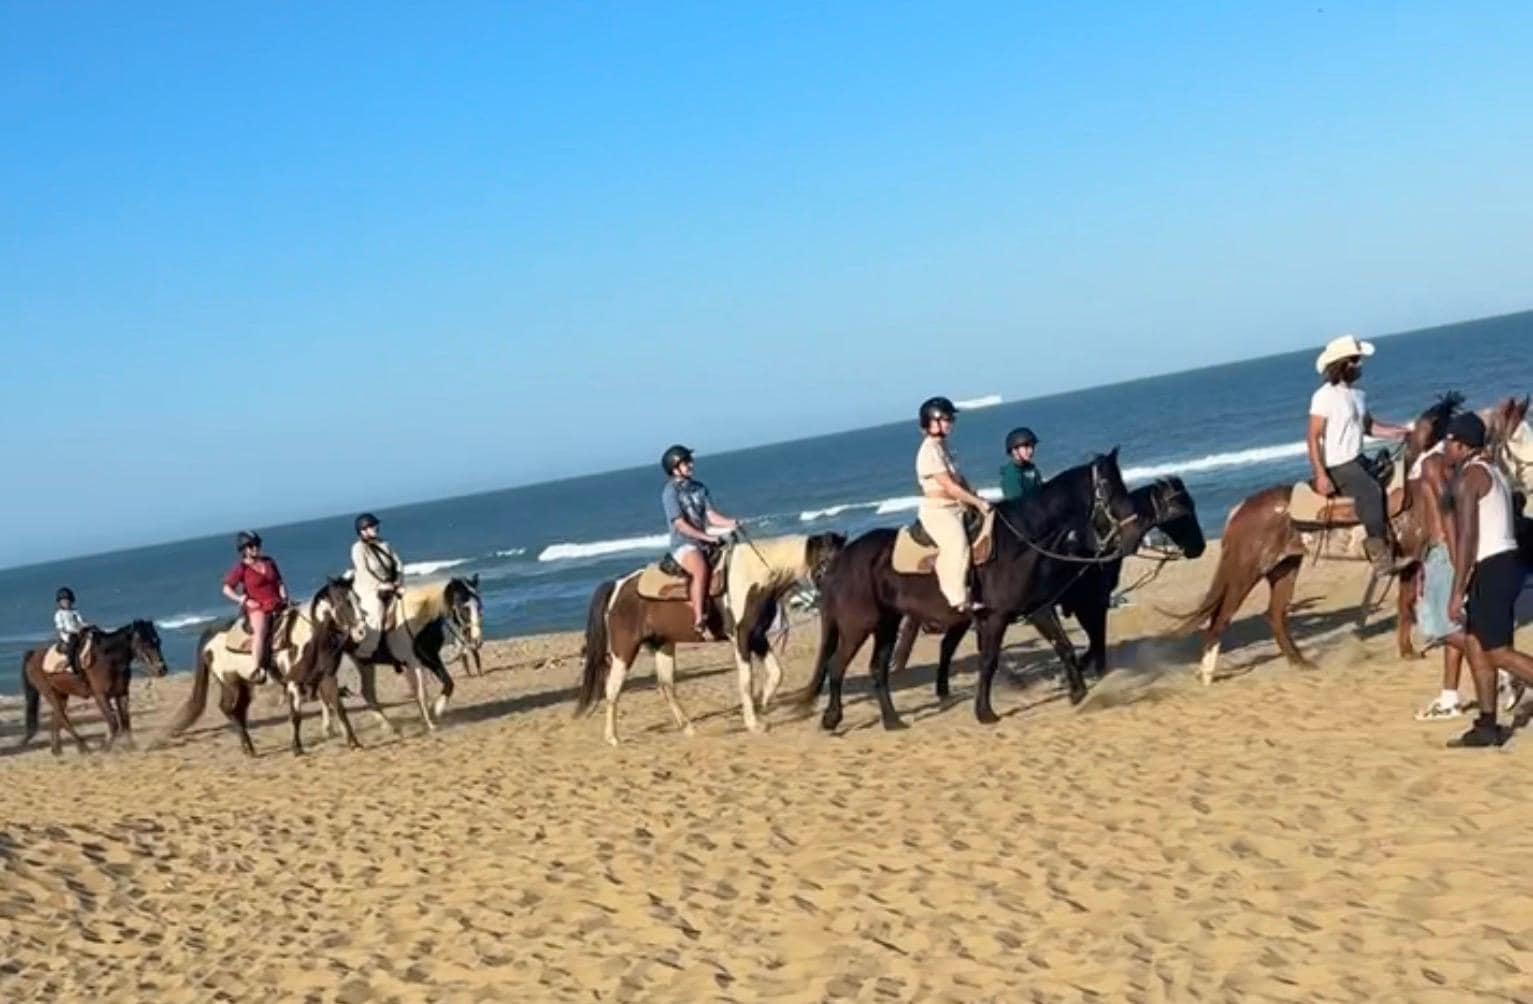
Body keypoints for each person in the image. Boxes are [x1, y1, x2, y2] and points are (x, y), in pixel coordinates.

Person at [1441, 413, 1533, 748]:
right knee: (1476, 646)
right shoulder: (1490, 469)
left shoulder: (1471, 477)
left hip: (1492, 565)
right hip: (1501, 564)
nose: (1445, 448)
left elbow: (1468, 537)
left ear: (1461, 444)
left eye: (1449, 442)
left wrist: (1456, 590)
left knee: (1497, 652)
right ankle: (1487, 724)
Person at [1306, 334, 1410, 573]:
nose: (1360, 364)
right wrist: (1320, 474)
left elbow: (1370, 427)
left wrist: (1401, 433)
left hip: (1358, 459)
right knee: (1371, 491)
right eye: (1355, 359)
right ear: (1342, 364)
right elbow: (1312, 436)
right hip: (1338, 465)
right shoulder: (1324, 396)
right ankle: (1380, 556)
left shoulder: (1358, 395)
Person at [1411, 422, 1468, 721]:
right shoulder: (1455, 464)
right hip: (1443, 550)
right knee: (1453, 628)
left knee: (1441, 627)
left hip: (1444, 551)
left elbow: (1446, 510)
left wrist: (1456, 560)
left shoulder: (1432, 463)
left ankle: (1505, 670)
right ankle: (1449, 697)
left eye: (1420, 428)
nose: (1414, 433)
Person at [916, 396, 992, 614]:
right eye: (946, 419)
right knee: (957, 545)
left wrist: (975, 497)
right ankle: (958, 598)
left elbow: (959, 479)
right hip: (939, 511)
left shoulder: (944, 447)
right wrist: (977, 502)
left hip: (956, 506)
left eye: (951, 419)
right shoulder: (929, 451)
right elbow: (949, 486)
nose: (950, 423)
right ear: (932, 422)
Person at [660, 445, 739, 639]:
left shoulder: (699, 488)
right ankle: (699, 618)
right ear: (674, 468)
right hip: (684, 544)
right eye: (686, 462)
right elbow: (680, 524)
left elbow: (711, 516)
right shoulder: (670, 493)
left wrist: (732, 523)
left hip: (702, 541)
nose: (691, 465)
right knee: (700, 569)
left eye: (690, 461)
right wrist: (708, 537)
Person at [221, 531, 289, 683]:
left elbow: (279, 582)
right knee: (260, 631)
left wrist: (285, 597)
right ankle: (257, 669)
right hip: (257, 606)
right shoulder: (241, 568)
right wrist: (243, 599)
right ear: (244, 549)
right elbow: (226, 589)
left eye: (257, 544)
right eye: (251, 545)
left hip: (277, 602)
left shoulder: (269, 562)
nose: (255, 548)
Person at [351, 512, 404, 662]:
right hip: (368, 588)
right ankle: (366, 652)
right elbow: (363, 570)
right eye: (372, 526)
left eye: (375, 525)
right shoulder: (358, 548)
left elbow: (398, 564)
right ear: (363, 530)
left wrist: (398, 581)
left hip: (391, 585)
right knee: (376, 609)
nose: (376, 527)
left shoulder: (384, 544)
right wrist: (382, 585)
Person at [53, 587, 90, 677]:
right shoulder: (59, 614)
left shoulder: (75, 612)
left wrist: (87, 625)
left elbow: (80, 622)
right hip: (67, 635)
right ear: (60, 603)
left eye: (68, 600)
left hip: (78, 632)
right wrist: (71, 631)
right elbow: (61, 627)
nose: (66, 603)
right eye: (64, 601)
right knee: (73, 641)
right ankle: (71, 663)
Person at [1000, 427, 1043, 502]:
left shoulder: (1031, 468)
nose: (1031, 451)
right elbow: (1017, 503)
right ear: (1014, 450)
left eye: (1032, 446)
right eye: (1026, 446)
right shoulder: (1011, 475)